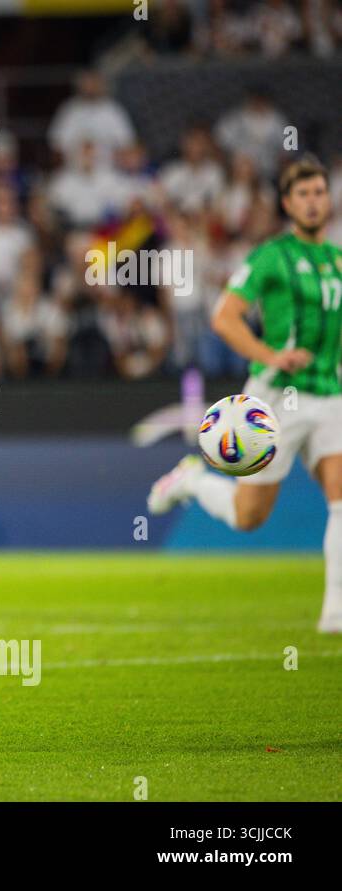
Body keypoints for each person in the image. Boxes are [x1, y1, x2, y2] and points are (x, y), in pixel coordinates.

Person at [148, 157, 342, 633]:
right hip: (277, 397)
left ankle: (334, 613)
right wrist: (270, 355)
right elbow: (224, 316)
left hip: (332, 393)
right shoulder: (270, 257)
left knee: (341, 497)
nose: (313, 201)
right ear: (287, 203)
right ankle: (193, 481)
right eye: (303, 194)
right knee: (249, 516)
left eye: (319, 192)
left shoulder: (338, 261)